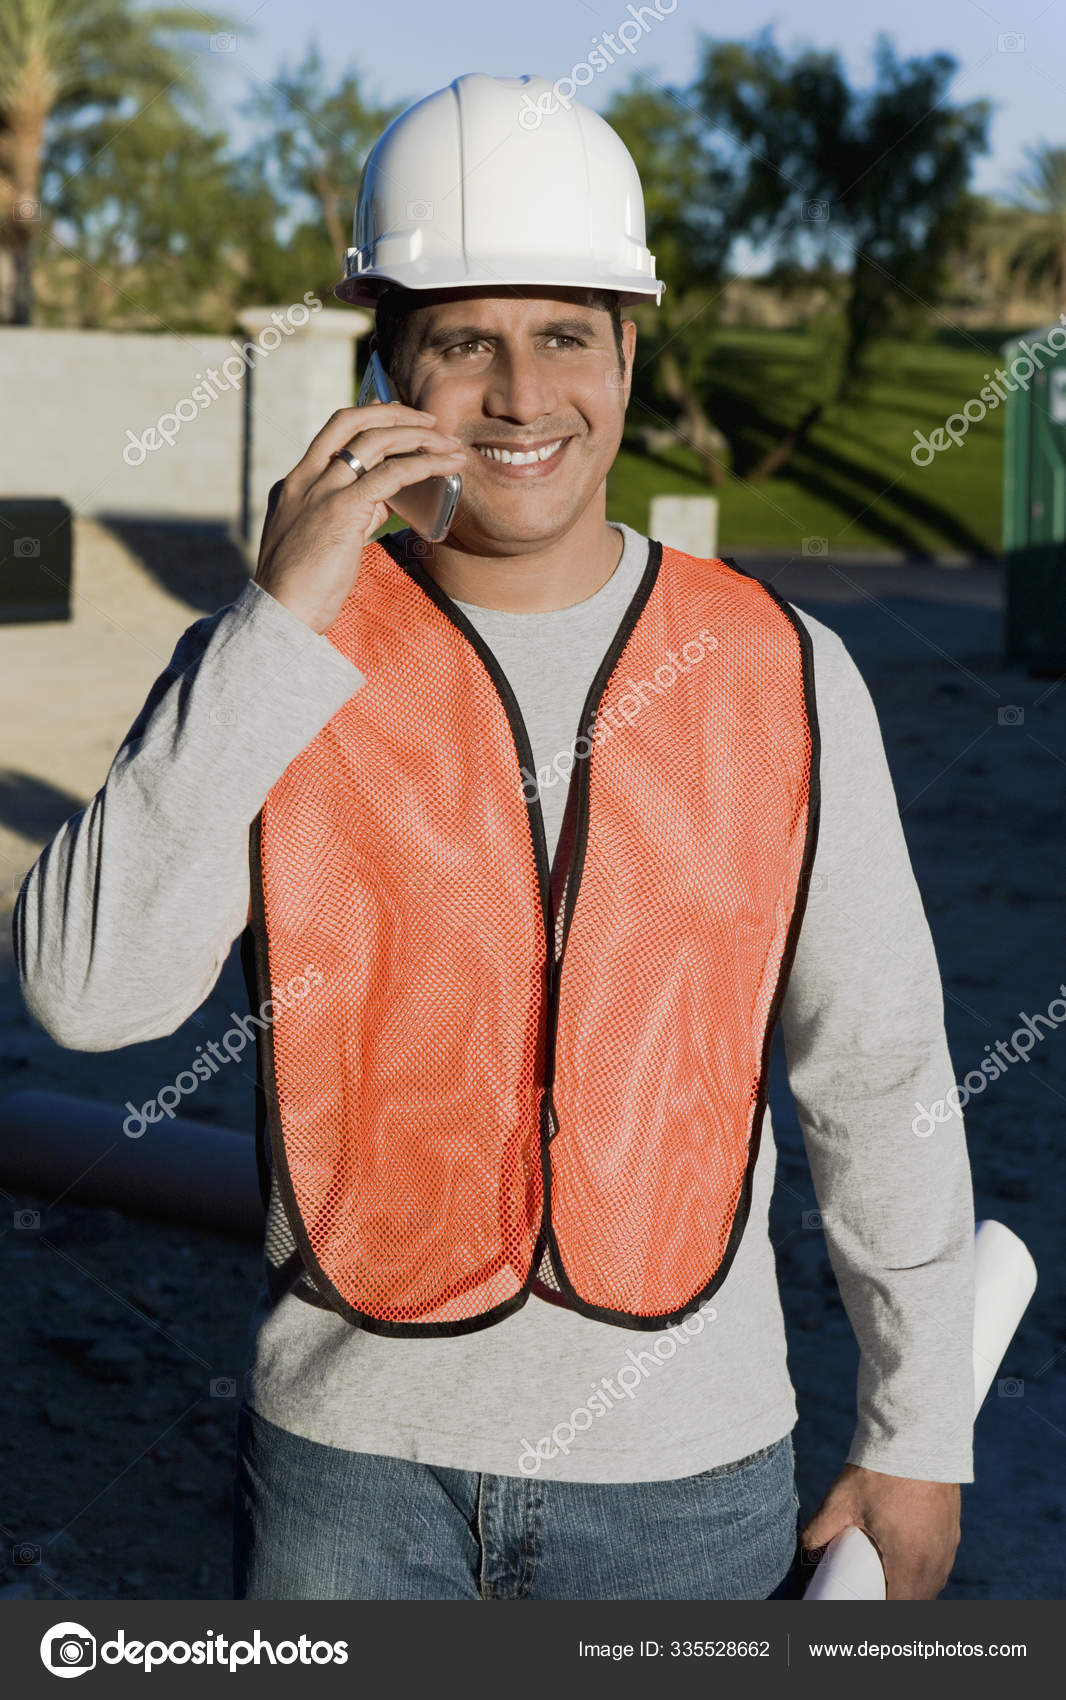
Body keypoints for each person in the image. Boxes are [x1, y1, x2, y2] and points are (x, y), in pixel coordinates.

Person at [13, 73, 975, 1602]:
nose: (521, 397)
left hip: (685, 1482)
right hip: (345, 1479)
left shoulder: (778, 666)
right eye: (464, 341)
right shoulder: (277, 657)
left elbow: (875, 1066)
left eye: (563, 337)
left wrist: (919, 1426)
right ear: (387, 360)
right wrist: (275, 621)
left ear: (626, 353)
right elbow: (86, 996)